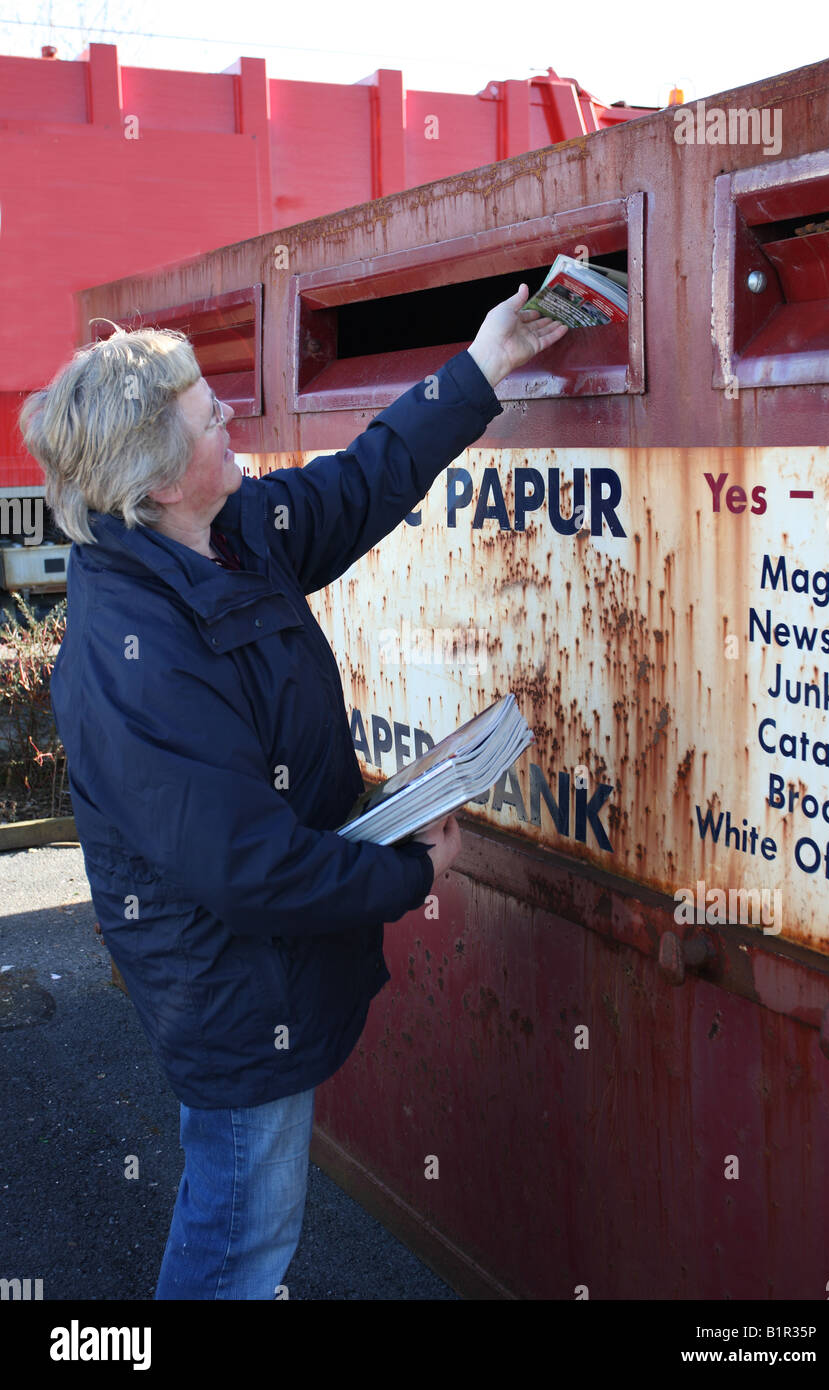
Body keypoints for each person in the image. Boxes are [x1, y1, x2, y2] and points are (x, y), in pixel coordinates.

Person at [19, 284, 567, 1299]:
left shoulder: (227, 533)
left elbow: (361, 483)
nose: (230, 413)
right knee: (236, 1242)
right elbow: (247, 865)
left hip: (247, 967)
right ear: (159, 476)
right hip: (231, 986)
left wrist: (483, 365)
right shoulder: (131, 655)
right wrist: (406, 869)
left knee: (239, 1215)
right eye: (205, 412)